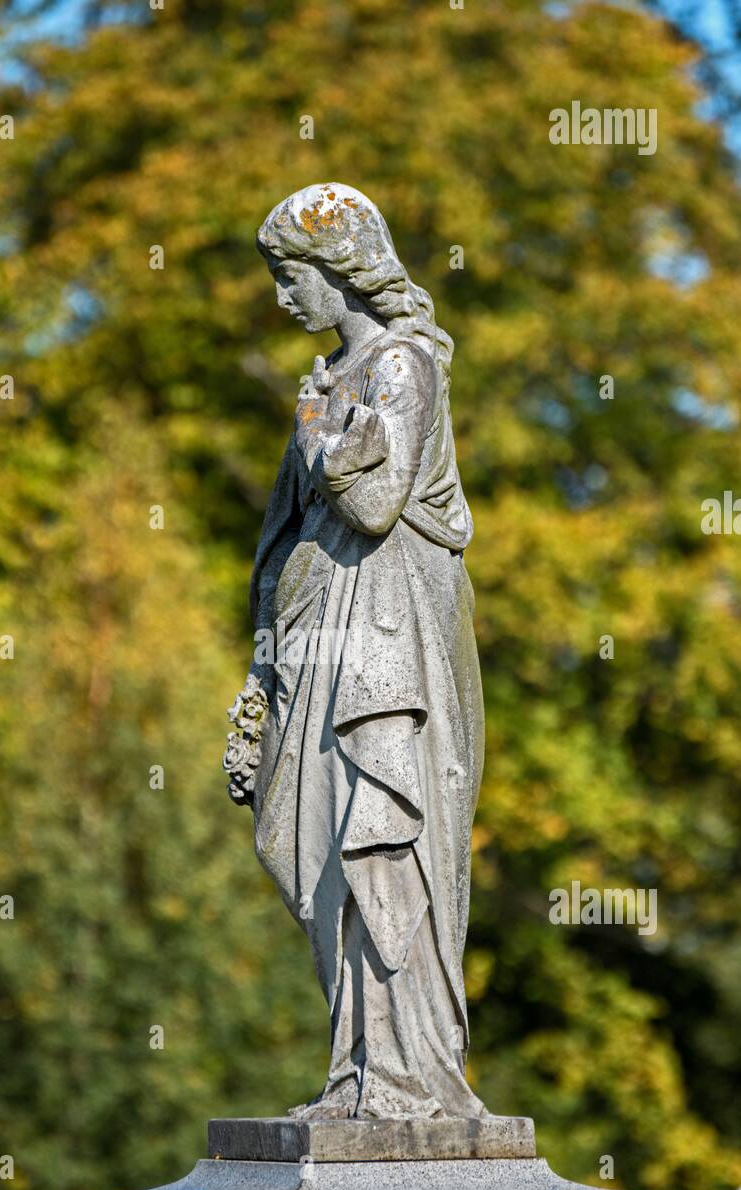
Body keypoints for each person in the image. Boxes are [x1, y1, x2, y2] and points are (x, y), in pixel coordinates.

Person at [225, 182, 486, 1120]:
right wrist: (266, 661)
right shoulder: (334, 377)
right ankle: (355, 1070)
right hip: (326, 629)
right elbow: (291, 531)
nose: (285, 299)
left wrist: (312, 427)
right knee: (332, 846)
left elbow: (372, 506)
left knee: (384, 833)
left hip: (387, 628)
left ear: (342, 271)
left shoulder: (402, 367)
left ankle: (406, 1074)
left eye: (293, 278)